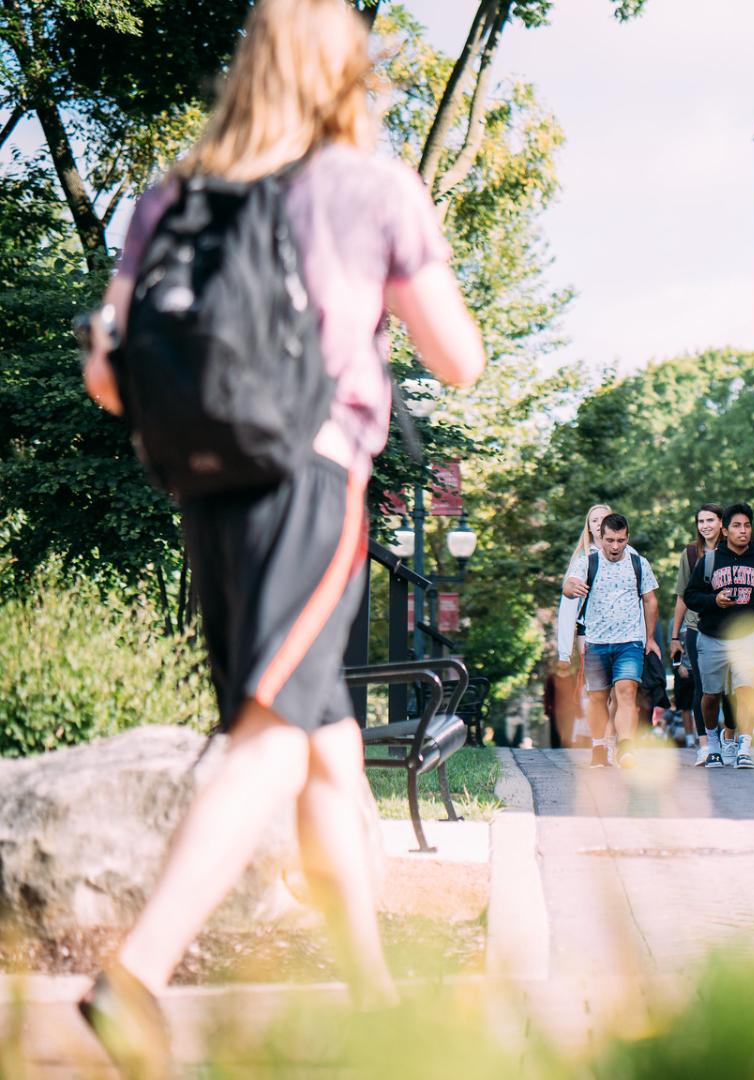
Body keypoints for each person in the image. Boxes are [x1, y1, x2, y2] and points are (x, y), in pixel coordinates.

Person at [72, 0, 485, 1069]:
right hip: (312, 478)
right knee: (269, 740)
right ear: (348, 78)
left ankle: (380, 1004)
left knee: (326, 752)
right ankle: (134, 976)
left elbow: (107, 372)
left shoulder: (174, 197)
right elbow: (459, 357)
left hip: (206, 487)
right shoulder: (372, 187)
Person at [684, 503, 754, 769]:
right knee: (710, 694)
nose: (743, 531)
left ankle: (744, 747)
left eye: (747, 525)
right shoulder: (711, 560)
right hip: (712, 636)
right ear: (725, 530)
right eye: (736, 526)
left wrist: (750, 602)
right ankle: (713, 744)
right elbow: (691, 596)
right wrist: (715, 600)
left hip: (746, 638)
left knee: (746, 692)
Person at [562, 512, 661, 769]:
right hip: (596, 642)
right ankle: (598, 746)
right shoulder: (587, 561)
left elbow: (650, 600)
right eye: (610, 540)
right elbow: (568, 585)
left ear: (627, 537)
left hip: (630, 641)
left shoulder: (639, 563)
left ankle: (625, 748)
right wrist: (572, 588)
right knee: (598, 698)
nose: (615, 546)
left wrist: (649, 638)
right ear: (600, 538)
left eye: (620, 540)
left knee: (626, 692)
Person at [670, 503, 737, 766]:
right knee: (702, 687)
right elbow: (681, 597)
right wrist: (675, 637)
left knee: (731, 688)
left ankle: (729, 737)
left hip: (729, 630)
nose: (705, 526)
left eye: (711, 520)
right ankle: (705, 745)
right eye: (701, 521)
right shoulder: (690, 554)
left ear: (722, 523)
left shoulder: (734, 551)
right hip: (697, 629)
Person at [559, 503, 612, 752]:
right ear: (589, 527)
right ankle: (600, 741)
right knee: (598, 690)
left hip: (621, 632)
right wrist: (563, 651)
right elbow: (568, 604)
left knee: (620, 689)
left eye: (604, 518)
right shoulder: (583, 560)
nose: (599, 523)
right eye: (594, 520)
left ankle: (612, 738)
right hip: (588, 631)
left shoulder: (628, 554)